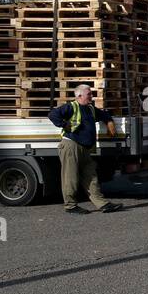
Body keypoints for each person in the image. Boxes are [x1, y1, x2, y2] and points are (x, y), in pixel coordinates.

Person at [48, 84, 124, 214]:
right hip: (71, 145)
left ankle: (102, 204)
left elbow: (104, 115)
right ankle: (70, 206)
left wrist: (109, 122)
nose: (91, 96)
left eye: (91, 94)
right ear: (79, 96)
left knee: (91, 177)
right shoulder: (71, 107)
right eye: (89, 94)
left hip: (85, 148)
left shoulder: (90, 109)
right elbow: (53, 114)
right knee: (70, 177)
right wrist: (63, 124)